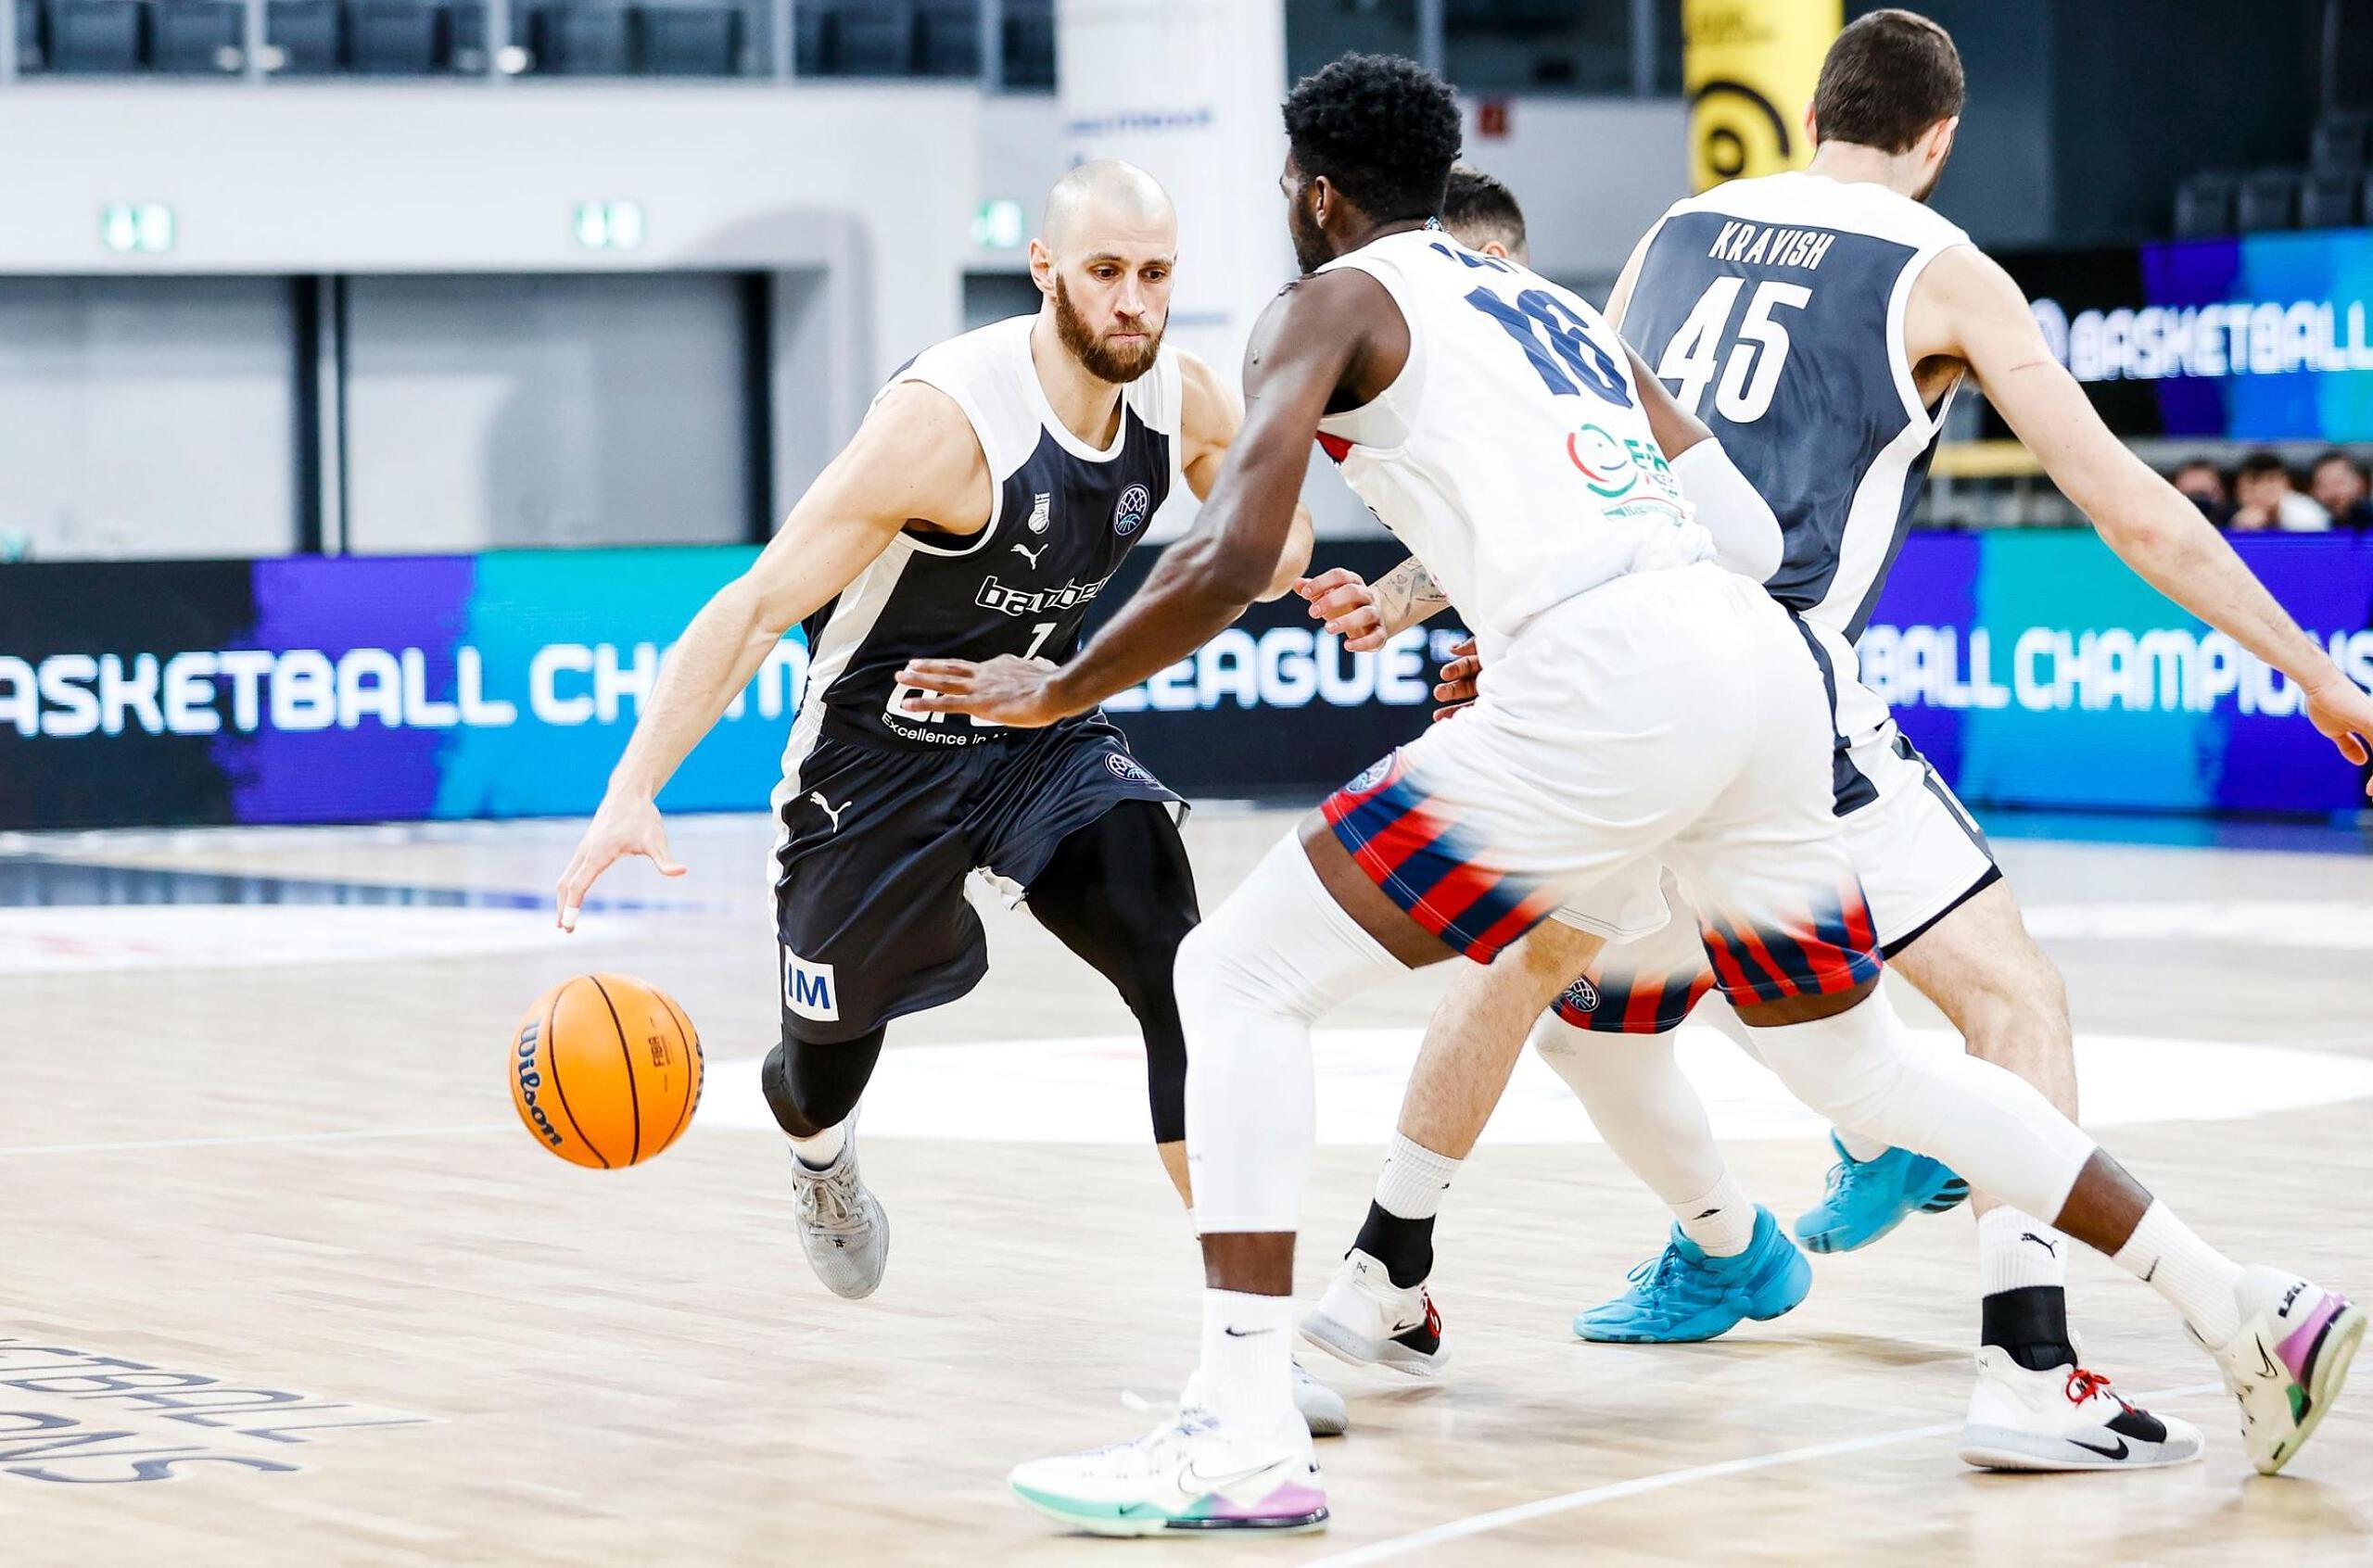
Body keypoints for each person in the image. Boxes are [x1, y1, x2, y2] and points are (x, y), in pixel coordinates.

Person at [899, 52, 2364, 1536]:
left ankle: (1242, 1425)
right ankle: (2246, 1305)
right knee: (1870, 1077)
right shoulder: (1529, 299)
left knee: (1238, 974)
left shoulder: (1329, 300)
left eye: (1291, 188)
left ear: (1319, 191)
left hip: (1611, 684)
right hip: (1760, 669)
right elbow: (1728, 516)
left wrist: (1058, 685)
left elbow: (1225, 555)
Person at [1293, 9, 2373, 1476]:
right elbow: (2128, 504)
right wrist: (2312, 668)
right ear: (1936, 140)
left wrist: (1422, 589)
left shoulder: (1683, 223)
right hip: (1772, 682)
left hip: (1619, 663)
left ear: (1812, 114)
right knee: (2008, 1002)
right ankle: (2030, 1361)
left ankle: (1393, 1264)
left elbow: (1580, 444)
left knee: (1540, 967)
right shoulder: (1941, 267)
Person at [548, 160, 1347, 1435]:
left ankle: (1242, 1345)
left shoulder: (1179, 395)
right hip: (874, 771)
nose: (1133, 301)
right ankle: (818, 1158)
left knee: (1177, 962)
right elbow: (760, 604)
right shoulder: (946, 424)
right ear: (1044, 269)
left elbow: (1273, 548)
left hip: (1040, 731)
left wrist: (1264, 519)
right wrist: (631, 789)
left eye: (1155, 275)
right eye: (1105, 271)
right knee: (821, 1071)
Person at [2231, 449, 2330, 531]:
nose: (2261, 492)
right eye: (2253, 486)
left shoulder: (2307, 513)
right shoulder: (2229, 515)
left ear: (2287, 484)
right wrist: (2241, 529)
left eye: (2271, 482)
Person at [2308, 449, 2373, 528]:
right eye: (2324, 486)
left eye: (2338, 483)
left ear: (2360, 484)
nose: (2332, 493)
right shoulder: (2311, 525)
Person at [2172, 457, 2230, 525]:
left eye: (2203, 495)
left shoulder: (2236, 524)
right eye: (2190, 496)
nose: (2197, 505)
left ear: (2220, 493)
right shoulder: (2163, 526)